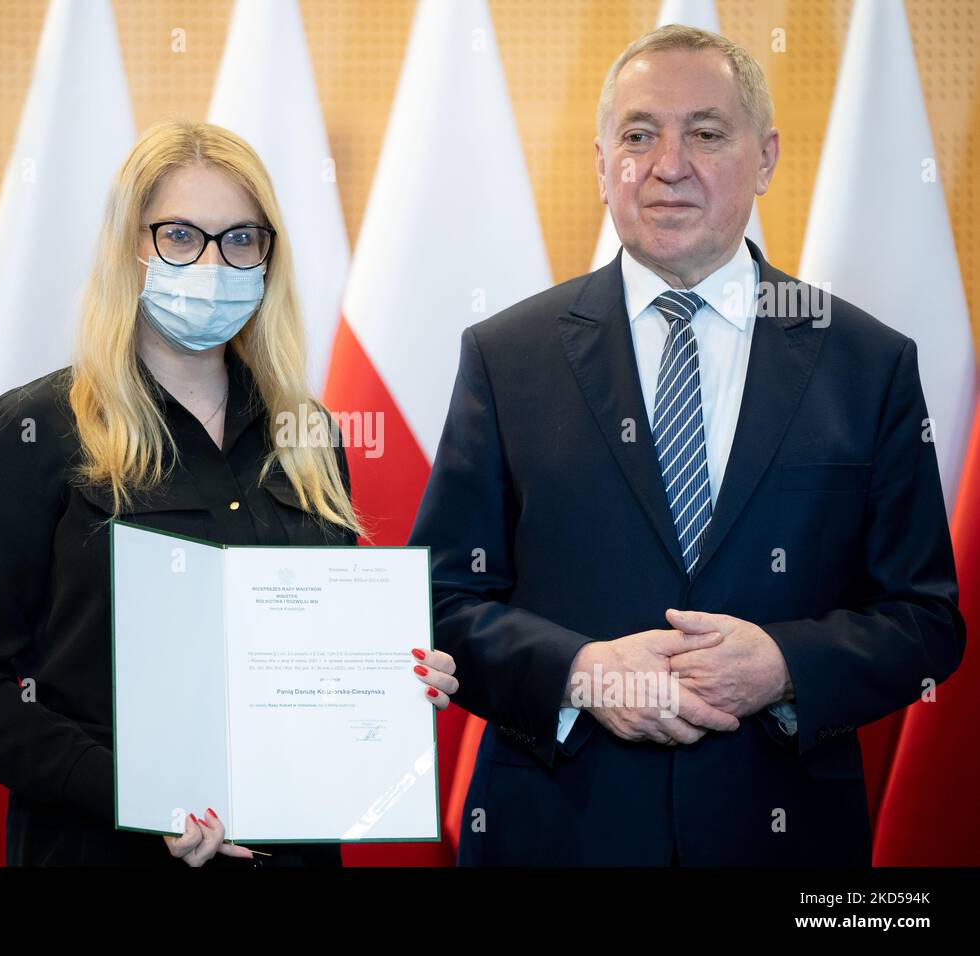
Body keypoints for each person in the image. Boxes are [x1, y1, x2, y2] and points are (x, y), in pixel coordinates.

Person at [408, 24, 963, 865]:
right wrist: (580, 672)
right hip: (558, 830)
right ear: (603, 165)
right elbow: (437, 602)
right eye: (638, 135)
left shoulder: (868, 362)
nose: (668, 163)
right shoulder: (506, 356)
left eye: (706, 133)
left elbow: (926, 621)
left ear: (766, 157)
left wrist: (785, 664)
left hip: (781, 835)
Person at [0, 120, 457, 867]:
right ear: (128, 248)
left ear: (268, 259)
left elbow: (314, 654)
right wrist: (132, 794)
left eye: (241, 239)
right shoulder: (30, 433)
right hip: (101, 851)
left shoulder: (310, 438)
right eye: (180, 235)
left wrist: (389, 685)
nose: (213, 263)